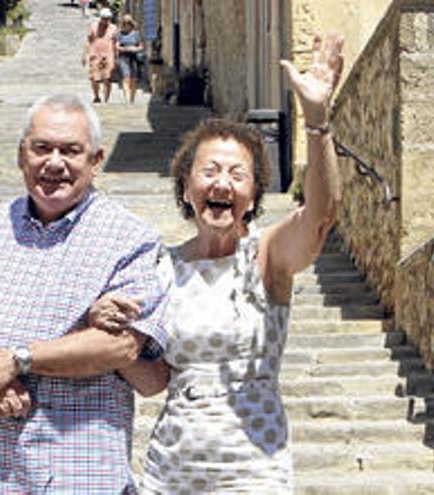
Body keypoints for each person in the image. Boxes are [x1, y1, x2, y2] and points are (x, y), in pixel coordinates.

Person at [91, 34, 345, 492]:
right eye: (209, 172)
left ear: (252, 195)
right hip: (172, 469)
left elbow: (321, 217)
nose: (222, 183)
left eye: (237, 174)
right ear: (187, 189)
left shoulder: (267, 256)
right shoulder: (160, 268)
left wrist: (317, 120)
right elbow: (152, 381)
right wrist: (108, 327)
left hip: (253, 470)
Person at [0, 94, 170, 494]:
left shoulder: (131, 239)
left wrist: (17, 362)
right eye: (41, 148)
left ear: (96, 160)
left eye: (71, 151)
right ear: (21, 155)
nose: (54, 163)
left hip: (73, 470)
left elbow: (121, 348)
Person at [82, 8, 117, 104]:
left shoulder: (113, 28)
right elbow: (88, 41)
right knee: (94, 78)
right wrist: (84, 55)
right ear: (100, 18)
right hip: (95, 54)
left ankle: (106, 100)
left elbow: (115, 43)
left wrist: (116, 56)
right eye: (104, 18)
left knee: (107, 78)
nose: (106, 20)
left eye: (108, 18)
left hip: (108, 55)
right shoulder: (93, 26)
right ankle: (96, 96)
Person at [115, 14, 143, 104]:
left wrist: (135, 49)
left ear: (131, 24)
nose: (126, 24)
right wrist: (125, 49)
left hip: (134, 58)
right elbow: (116, 46)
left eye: (128, 23)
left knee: (133, 79)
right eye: (125, 23)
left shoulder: (136, 34)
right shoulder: (120, 34)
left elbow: (141, 46)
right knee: (126, 78)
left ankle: (132, 99)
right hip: (123, 58)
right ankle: (127, 100)